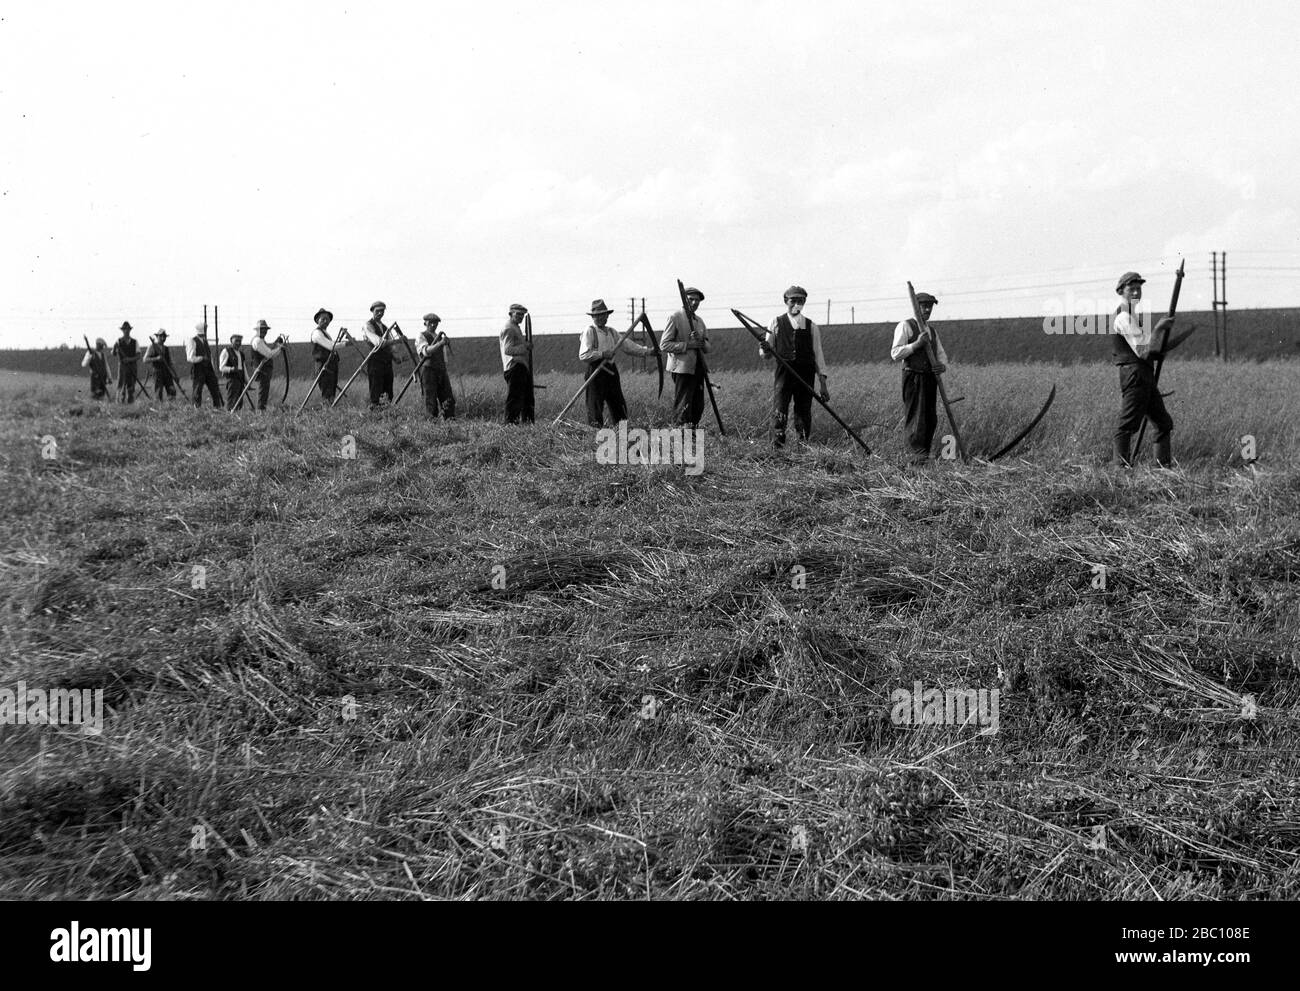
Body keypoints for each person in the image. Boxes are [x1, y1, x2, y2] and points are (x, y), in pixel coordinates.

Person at [1112, 271, 1175, 467]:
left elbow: (1149, 350)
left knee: (1163, 424)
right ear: (1121, 291)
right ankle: (1119, 470)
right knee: (1128, 424)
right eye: (1132, 288)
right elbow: (1142, 350)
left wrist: (1159, 349)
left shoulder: (1134, 317)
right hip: (1135, 375)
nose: (1136, 292)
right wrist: (1159, 329)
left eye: (1139, 288)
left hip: (1144, 375)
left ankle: (1162, 469)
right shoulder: (1123, 317)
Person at [761, 285, 829, 447]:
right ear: (786, 301)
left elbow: (818, 355)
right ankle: (776, 450)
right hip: (784, 374)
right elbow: (766, 355)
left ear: (804, 302)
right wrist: (765, 348)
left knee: (803, 413)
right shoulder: (776, 322)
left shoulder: (811, 326)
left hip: (805, 374)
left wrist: (823, 384)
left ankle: (803, 448)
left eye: (800, 300)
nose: (796, 304)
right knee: (779, 411)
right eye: (793, 300)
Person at [890, 292, 949, 463]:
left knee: (930, 417)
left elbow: (942, 356)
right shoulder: (905, 326)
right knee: (916, 417)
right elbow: (895, 353)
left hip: (930, 378)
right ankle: (915, 457)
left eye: (930, 306)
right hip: (913, 377)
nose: (927, 309)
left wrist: (941, 366)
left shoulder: (932, 331)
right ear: (916, 307)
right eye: (924, 306)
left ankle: (924, 454)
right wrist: (916, 345)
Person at [578, 298, 651, 427]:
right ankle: (595, 435)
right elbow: (583, 355)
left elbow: (628, 346)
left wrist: (647, 351)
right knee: (595, 406)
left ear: (607, 316)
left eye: (603, 315)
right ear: (593, 317)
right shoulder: (589, 331)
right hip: (596, 371)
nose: (600, 318)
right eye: (597, 315)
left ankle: (622, 434)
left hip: (611, 371)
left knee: (618, 405)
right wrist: (602, 354)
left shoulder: (611, 331)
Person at [660, 286, 711, 427]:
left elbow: (708, 348)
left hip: (698, 368)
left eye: (697, 300)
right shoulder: (675, 317)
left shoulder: (700, 321)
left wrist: (701, 340)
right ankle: (679, 438)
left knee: (697, 407)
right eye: (691, 299)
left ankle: (692, 438)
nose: (694, 303)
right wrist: (688, 345)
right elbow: (664, 345)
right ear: (684, 300)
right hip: (682, 369)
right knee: (683, 406)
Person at [499, 303, 534, 424]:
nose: (520, 317)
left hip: (520, 366)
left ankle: (521, 423)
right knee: (514, 398)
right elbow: (508, 350)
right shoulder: (509, 328)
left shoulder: (515, 327)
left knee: (521, 397)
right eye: (518, 314)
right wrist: (525, 347)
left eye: (522, 315)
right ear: (511, 314)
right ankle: (509, 424)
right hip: (514, 366)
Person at [362, 301, 402, 408]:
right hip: (375, 362)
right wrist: (398, 341)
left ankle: (386, 415)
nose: (380, 313)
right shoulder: (368, 325)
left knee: (388, 391)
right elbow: (379, 343)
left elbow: (391, 347)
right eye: (377, 311)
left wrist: (396, 357)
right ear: (372, 311)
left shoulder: (385, 327)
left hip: (386, 362)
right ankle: (375, 417)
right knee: (376, 391)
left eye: (382, 311)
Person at [418, 313, 456, 418]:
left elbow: (444, 357)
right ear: (425, 323)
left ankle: (449, 424)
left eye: (435, 323)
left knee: (448, 399)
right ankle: (432, 427)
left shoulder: (439, 337)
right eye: (431, 322)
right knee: (430, 400)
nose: (433, 325)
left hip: (441, 370)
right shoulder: (421, 336)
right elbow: (426, 351)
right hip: (428, 371)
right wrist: (439, 344)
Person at [248, 320, 285, 411]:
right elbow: (269, 354)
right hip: (261, 369)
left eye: (265, 330)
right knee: (262, 391)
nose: (264, 331)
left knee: (264, 391)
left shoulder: (261, 340)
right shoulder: (257, 341)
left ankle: (261, 409)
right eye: (262, 329)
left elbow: (269, 351)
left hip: (264, 370)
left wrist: (276, 345)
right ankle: (260, 411)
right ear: (257, 330)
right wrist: (279, 348)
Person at [186, 321, 224, 408]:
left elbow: (210, 356)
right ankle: (196, 408)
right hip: (198, 369)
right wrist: (201, 358)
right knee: (197, 390)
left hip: (208, 369)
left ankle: (217, 407)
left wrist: (213, 369)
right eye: (205, 329)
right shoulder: (192, 341)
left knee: (214, 388)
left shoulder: (205, 341)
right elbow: (190, 357)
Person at [309, 308, 341, 404]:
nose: (326, 321)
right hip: (323, 366)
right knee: (326, 392)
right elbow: (331, 346)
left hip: (331, 365)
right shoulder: (317, 333)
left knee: (331, 392)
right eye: (323, 319)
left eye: (327, 319)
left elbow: (331, 344)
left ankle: (330, 413)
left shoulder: (326, 334)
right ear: (317, 320)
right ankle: (326, 413)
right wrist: (346, 344)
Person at [144, 330, 179, 400]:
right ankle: (159, 408)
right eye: (161, 336)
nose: (163, 338)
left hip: (167, 373)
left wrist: (175, 374)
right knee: (158, 392)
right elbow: (145, 359)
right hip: (157, 372)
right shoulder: (152, 346)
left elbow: (171, 363)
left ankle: (171, 408)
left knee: (172, 391)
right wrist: (156, 358)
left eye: (164, 336)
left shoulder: (166, 348)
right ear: (157, 337)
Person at [111, 321, 141, 403]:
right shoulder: (118, 341)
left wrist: (129, 359)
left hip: (132, 367)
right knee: (121, 385)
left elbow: (138, 356)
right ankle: (119, 404)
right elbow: (113, 353)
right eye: (124, 329)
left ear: (130, 330)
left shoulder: (135, 342)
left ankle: (130, 403)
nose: (126, 331)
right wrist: (114, 348)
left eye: (128, 329)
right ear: (122, 330)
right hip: (122, 367)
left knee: (131, 386)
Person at [219, 333, 247, 410]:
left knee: (239, 401)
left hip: (240, 380)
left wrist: (247, 381)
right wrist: (231, 369)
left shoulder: (241, 354)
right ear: (231, 341)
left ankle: (237, 416)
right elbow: (221, 367)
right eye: (236, 341)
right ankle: (229, 416)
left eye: (240, 341)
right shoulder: (226, 351)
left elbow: (244, 369)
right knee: (231, 400)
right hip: (231, 379)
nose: (238, 343)